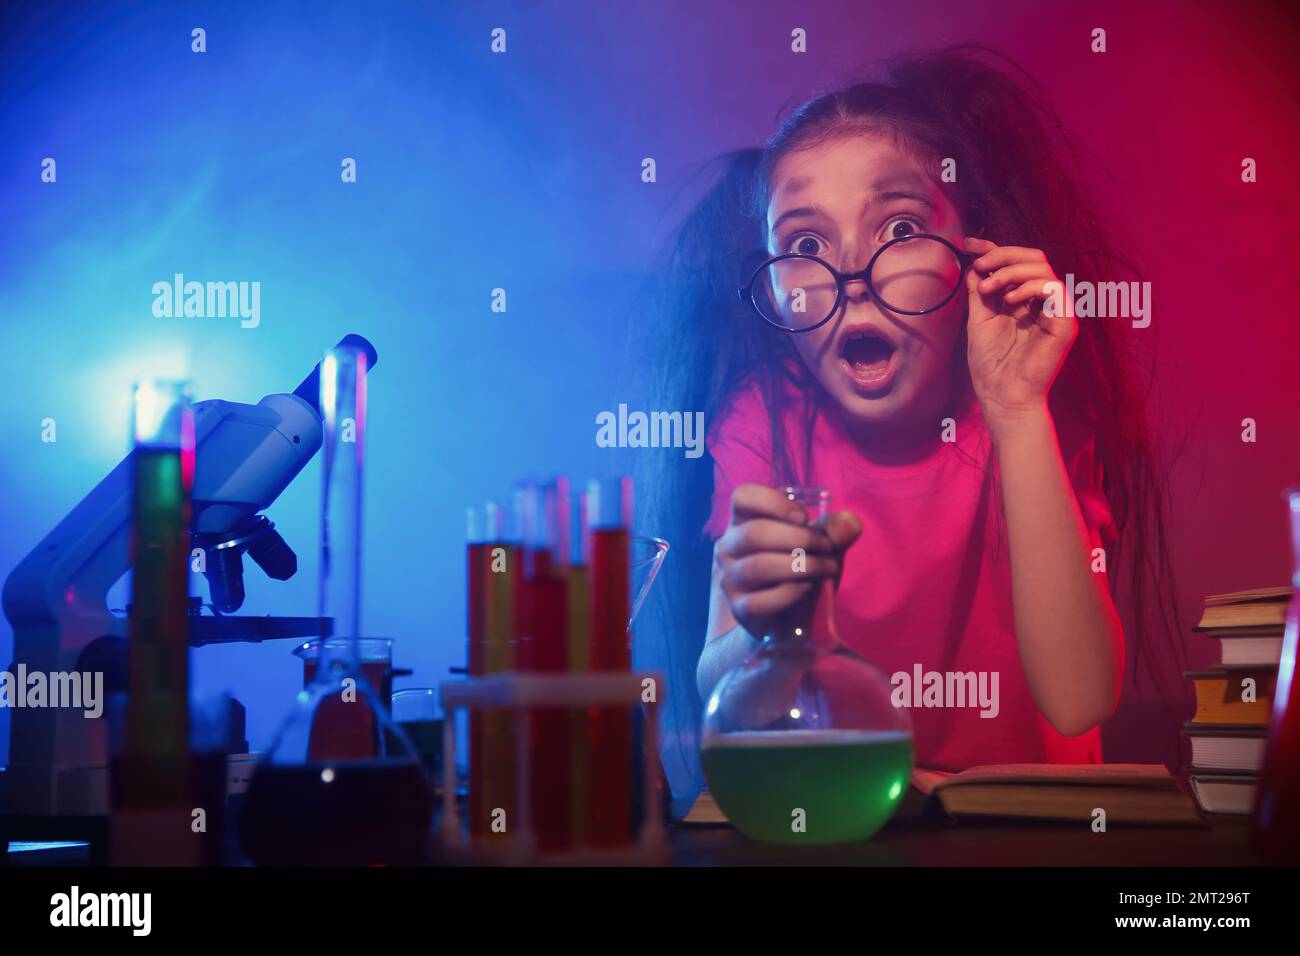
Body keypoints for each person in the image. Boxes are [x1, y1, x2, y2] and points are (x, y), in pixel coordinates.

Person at [634, 46, 1180, 807]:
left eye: (897, 228)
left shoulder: (1033, 413)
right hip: (843, 827)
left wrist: (1019, 414)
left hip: (1029, 840)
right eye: (805, 244)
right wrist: (762, 631)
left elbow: (1081, 700)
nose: (851, 275)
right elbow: (716, 686)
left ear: (972, 252)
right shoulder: (763, 419)